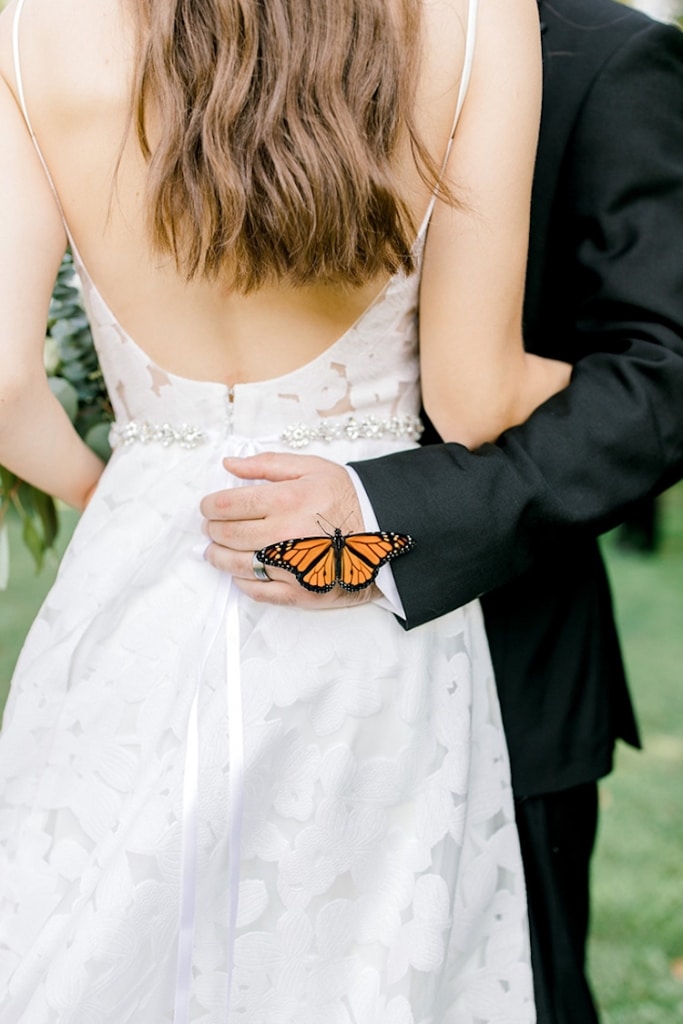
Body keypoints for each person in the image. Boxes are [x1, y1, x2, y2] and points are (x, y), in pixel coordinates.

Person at [0, 0, 573, 1019]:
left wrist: (118, 496)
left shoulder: (30, 25)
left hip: (138, 566)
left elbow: (2, 389)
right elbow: (472, 395)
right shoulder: (477, 16)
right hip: (354, 576)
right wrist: (616, 377)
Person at [199, 1, 683, 1022]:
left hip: (503, 651)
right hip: (208, 636)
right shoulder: (199, 32)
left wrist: (388, 517)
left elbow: (656, 383)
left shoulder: (608, 59)